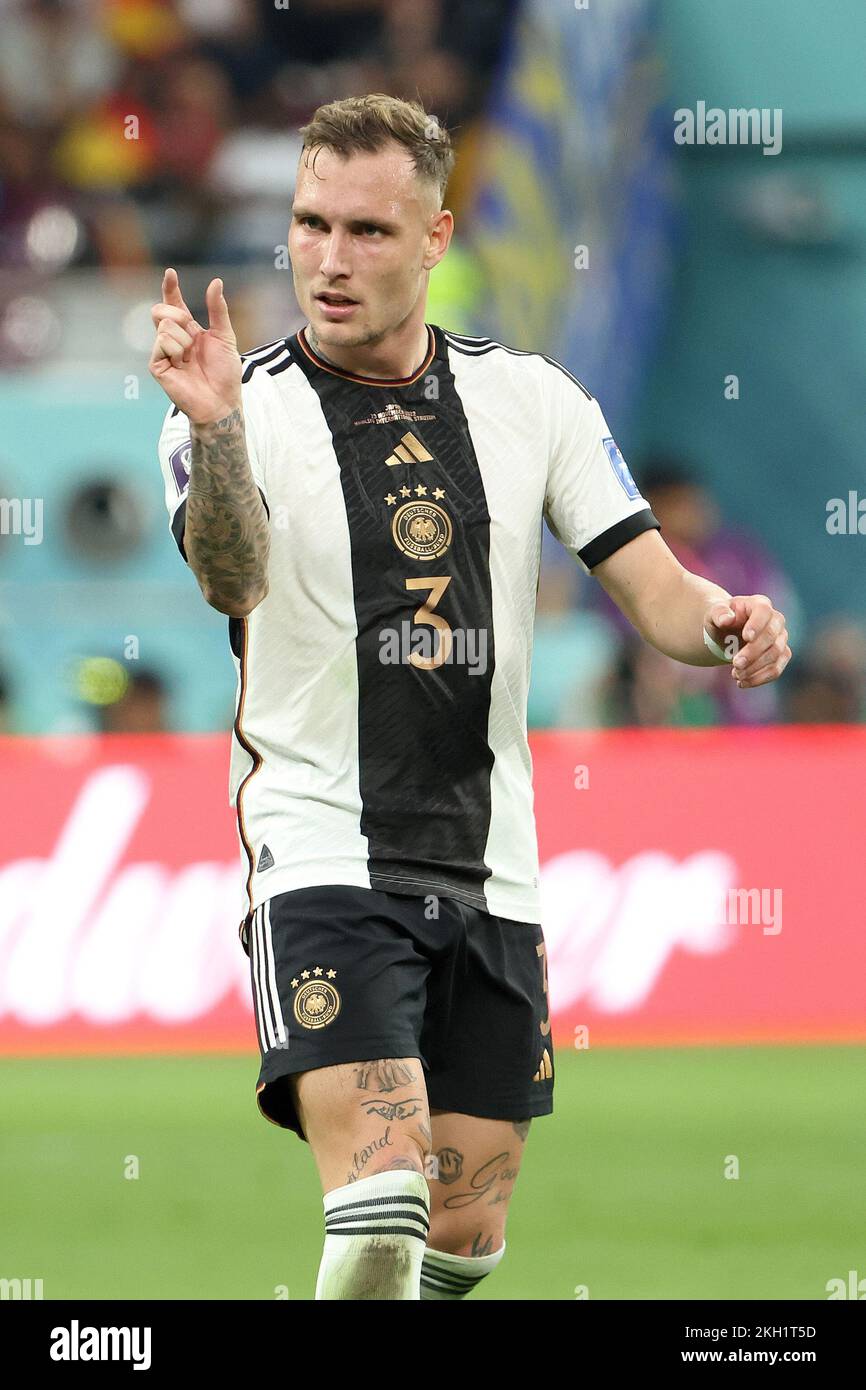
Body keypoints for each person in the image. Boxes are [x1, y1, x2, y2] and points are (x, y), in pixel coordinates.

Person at [150, 93, 792, 1301]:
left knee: (463, 1232)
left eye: (368, 231)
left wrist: (722, 621)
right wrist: (219, 430)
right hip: (322, 852)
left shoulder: (533, 400)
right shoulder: (236, 407)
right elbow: (228, 578)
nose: (329, 259)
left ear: (435, 237)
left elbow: (654, 589)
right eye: (310, 224)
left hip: (494, 868)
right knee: (381, 1203)